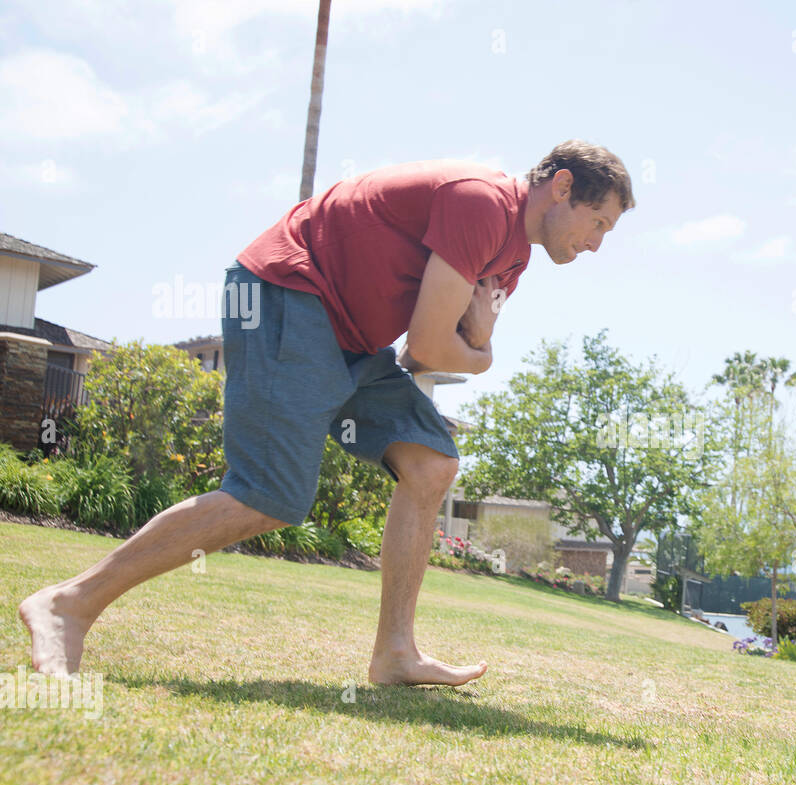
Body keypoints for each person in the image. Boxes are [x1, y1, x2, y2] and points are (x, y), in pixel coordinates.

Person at [20, 140, 635, 687]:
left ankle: (395, 652)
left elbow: (418, 355)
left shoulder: (512, 262)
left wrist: (467, 344)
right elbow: (435, 346)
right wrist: (484, 355)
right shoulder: (481, 203)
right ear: (560, 187)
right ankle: (69, 603)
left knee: (431, 464)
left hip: (354, 339)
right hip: (287, 290)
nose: (597, 242)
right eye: (598, 221)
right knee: (269, 495)